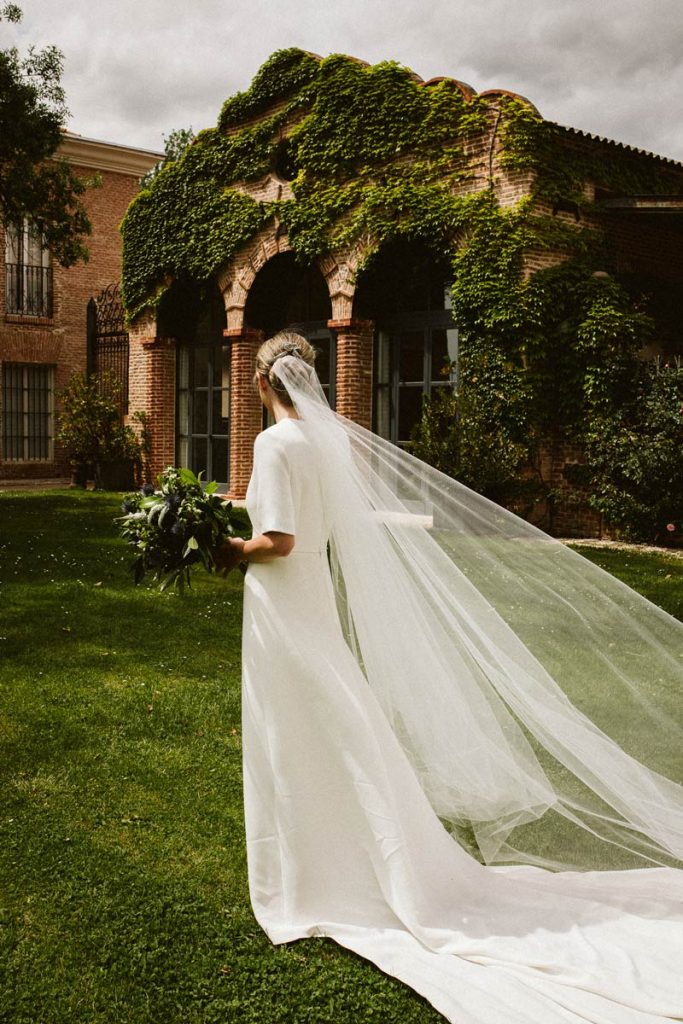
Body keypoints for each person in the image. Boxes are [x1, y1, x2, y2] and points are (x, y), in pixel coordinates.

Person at [215, 330, 683, 1023]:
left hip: (283, 597)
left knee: (296, 722)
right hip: (312, 591)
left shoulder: (274, 443)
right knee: (334, 715)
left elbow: (276, 542)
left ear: (259, 385)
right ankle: (348, 848)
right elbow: (306, 528)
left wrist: (225, 549)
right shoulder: (326, 441)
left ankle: (312, 872)